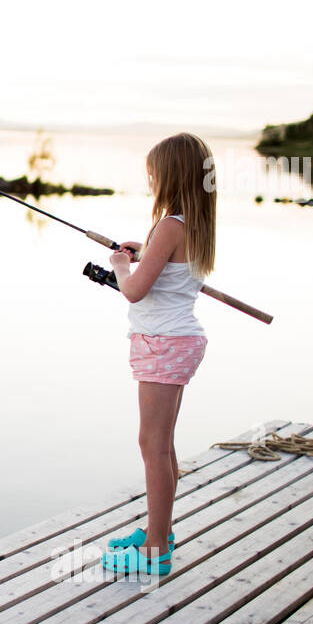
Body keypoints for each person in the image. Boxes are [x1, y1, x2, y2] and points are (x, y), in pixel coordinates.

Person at [102, 132, 217, 578]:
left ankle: (155, 549)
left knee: (151, 445)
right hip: (175, 342)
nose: (150, 181)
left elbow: (134, 291)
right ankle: (160, 532)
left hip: (163, 344)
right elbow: (166, 270)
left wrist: (121, 265)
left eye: (154, 173)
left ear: (170, 175)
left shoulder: (169, 225)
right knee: (161, 443)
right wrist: (143, 251)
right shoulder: (194, 224)